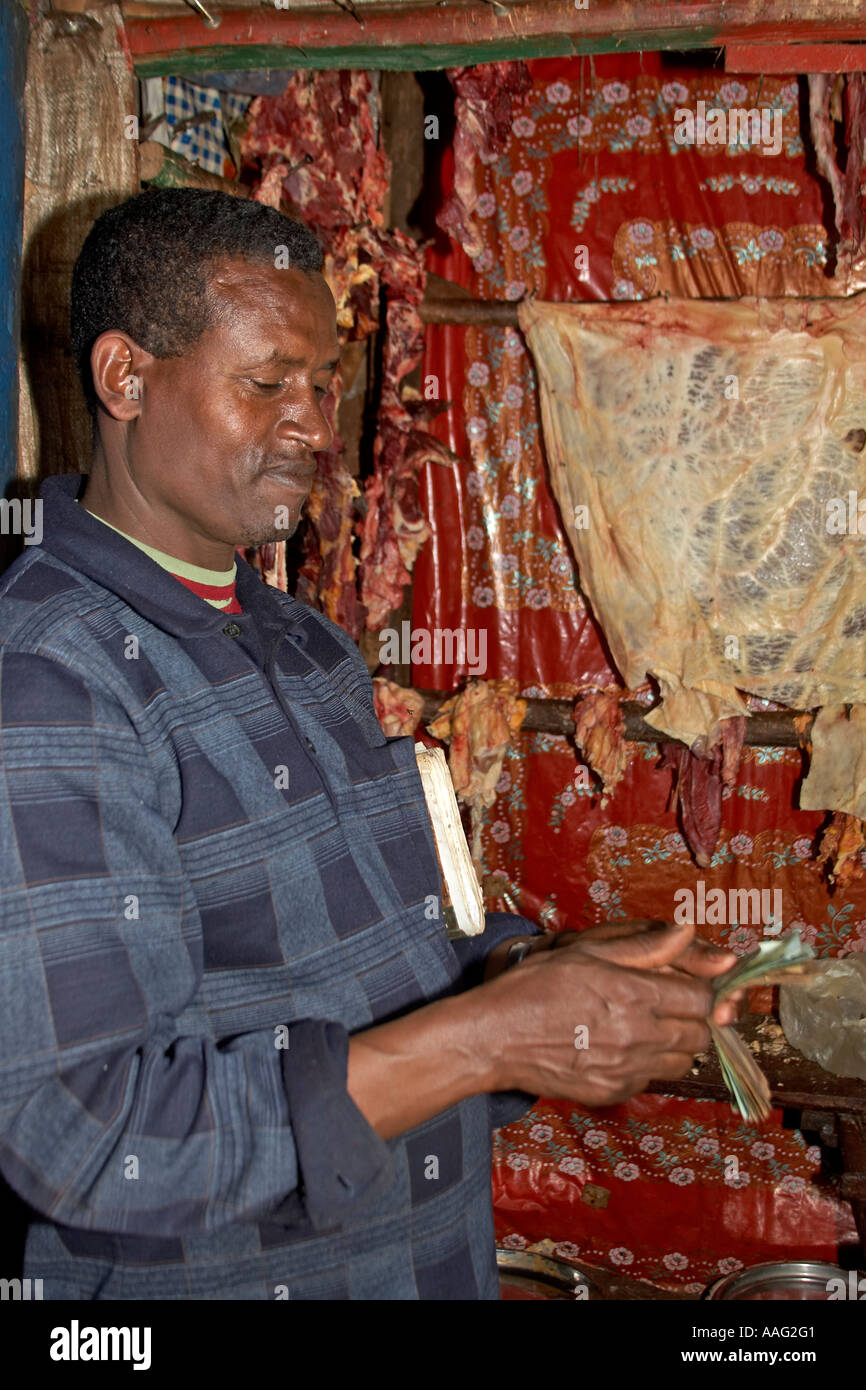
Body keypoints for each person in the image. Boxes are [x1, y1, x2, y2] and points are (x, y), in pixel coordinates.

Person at [0, 189, 738, 1300]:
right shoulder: (52, 675)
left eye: (323, 387)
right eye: (265, 384)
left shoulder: (304, 646)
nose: (310, 425)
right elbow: (88, 1134)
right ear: (125, 377)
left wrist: (537, 978)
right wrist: (485, 1039)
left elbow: (377, 968)